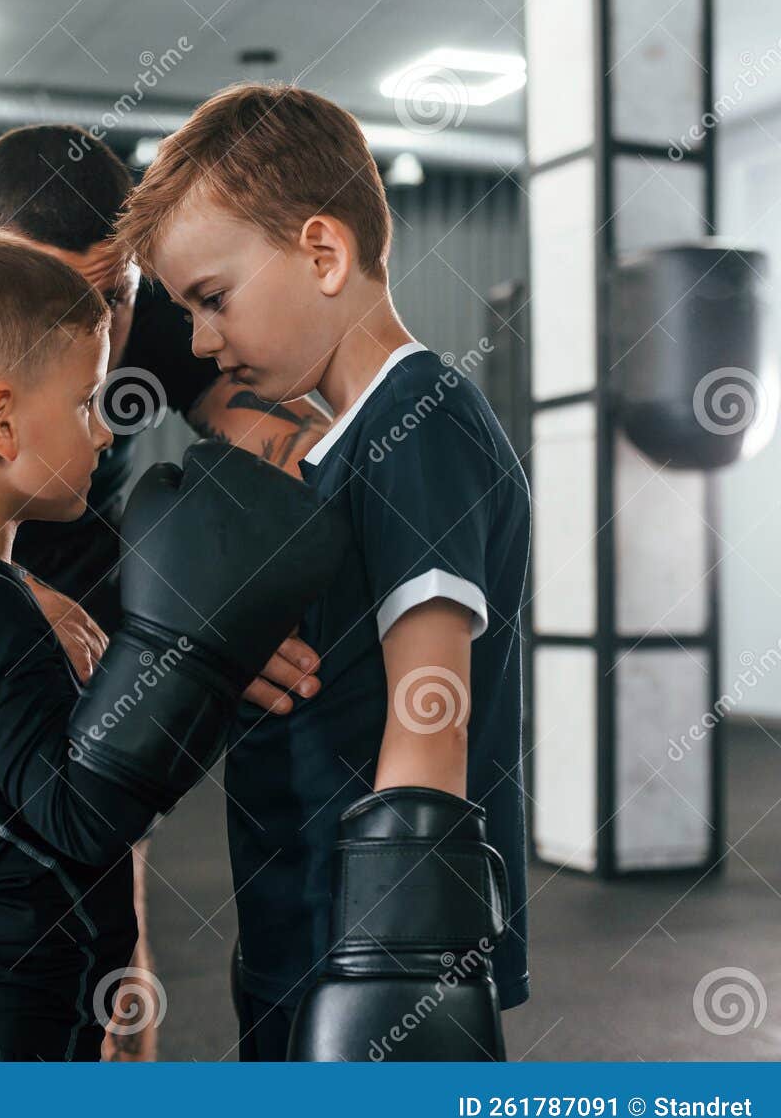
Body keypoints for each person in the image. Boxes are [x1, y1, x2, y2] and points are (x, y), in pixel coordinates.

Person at [0, 124, 330, 1060]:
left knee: (99, 905)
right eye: (56, 292)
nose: (94, 320)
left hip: (81, 593)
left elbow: (274, 432)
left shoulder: (143, 312)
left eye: (108, 296)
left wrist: (230, 592)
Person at [117, 82, 531, 1061]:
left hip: (363, 952)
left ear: (323, 252)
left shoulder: (420, 424)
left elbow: (431, 706)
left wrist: (391, 974)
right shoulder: (338, 445)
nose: (203, 343)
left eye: (212, 301)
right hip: (295, 916)